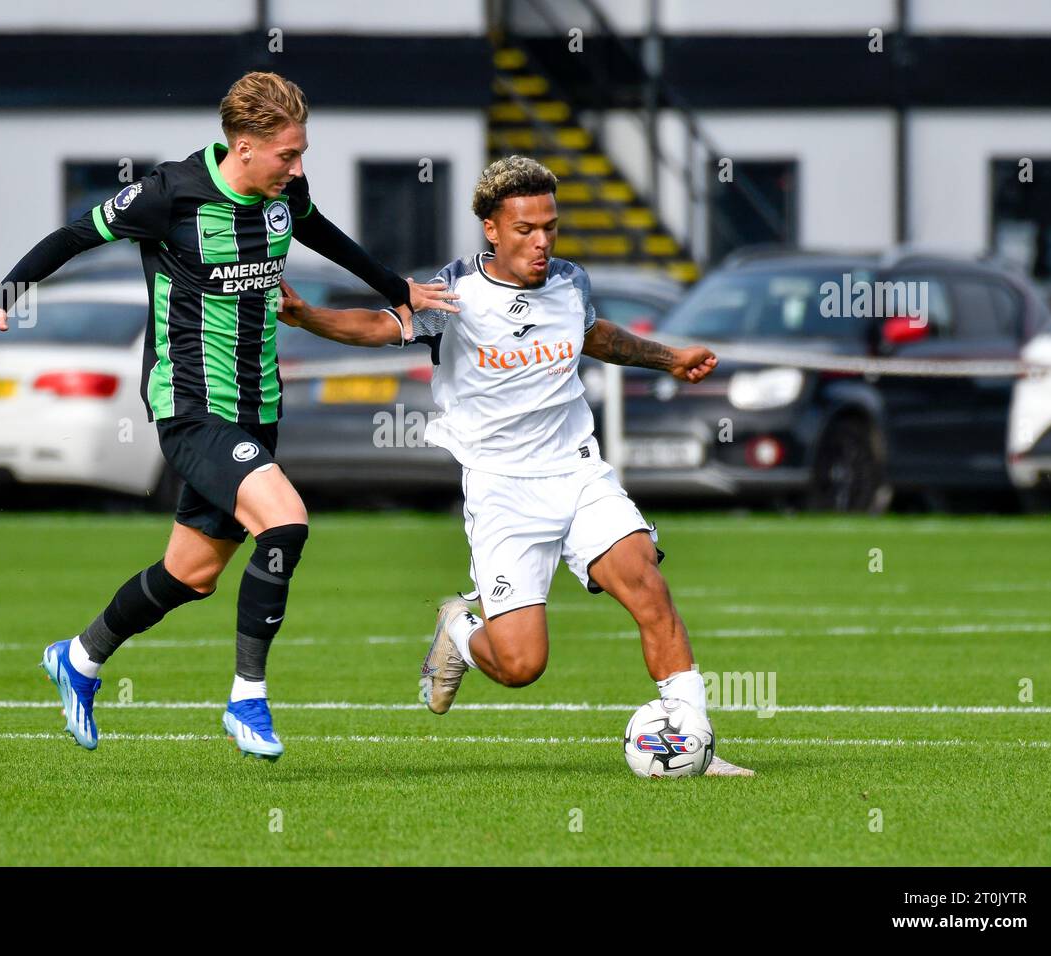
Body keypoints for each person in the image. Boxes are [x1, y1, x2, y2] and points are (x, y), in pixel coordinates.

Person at [0, 71, 456, 759]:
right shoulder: (171, 194)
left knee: (191, 573)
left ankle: (80, 657)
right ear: (244, 147)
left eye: (302, 152)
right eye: (288, 154)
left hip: (258, 407)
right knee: (285, 521)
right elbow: (75, 234)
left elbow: (325, 234)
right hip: (189, 405)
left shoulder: (285, 194)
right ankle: (248, 698)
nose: (299, 168)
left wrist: (400, 291)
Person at [277, 155, 753, 776]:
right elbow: (381, 325)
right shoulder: (455, 292)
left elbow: (593, 335)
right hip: (502, 490)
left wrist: (670, 359)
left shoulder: (569, 281)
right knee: (521, 665)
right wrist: (310, 317)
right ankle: (460, 631)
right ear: (492, 230)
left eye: (550, 226)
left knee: (647, 588)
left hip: (578, 471)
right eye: (526, 228)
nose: (541, 241)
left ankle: (695, 739)